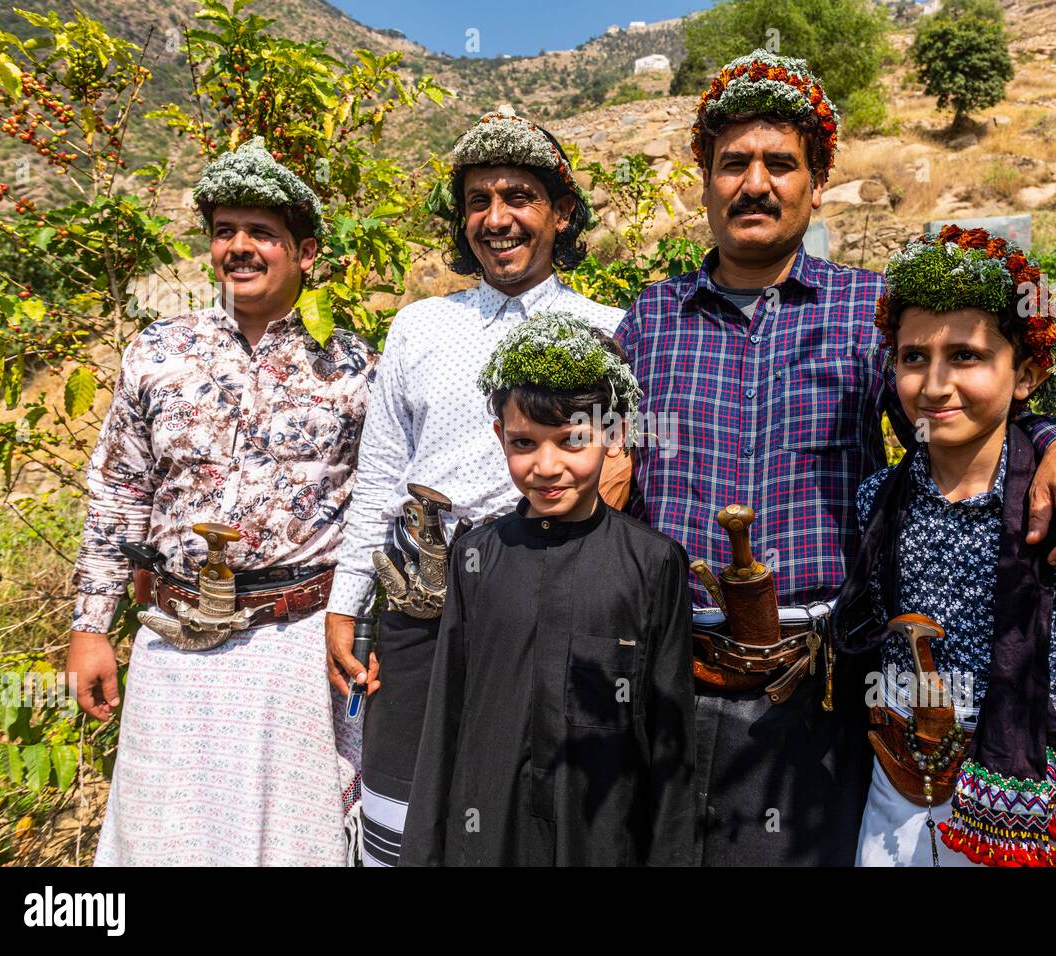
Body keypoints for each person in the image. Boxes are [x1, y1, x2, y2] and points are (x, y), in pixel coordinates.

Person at [615, 50, 1056, 865]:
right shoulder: (649, 318)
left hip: (818, 690)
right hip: (670, 682)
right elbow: (592, 469)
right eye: (733, 164)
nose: (755, 183)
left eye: (780, 164)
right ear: (705, 181)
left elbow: (965, 418)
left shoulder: (871, 313)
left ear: (816, 182)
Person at [840, 226, 1056, 866]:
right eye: (914, 356)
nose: (935, 384)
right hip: (900, 816)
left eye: (968, 356)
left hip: (1045, 817)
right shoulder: (879, 501)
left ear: (1026, 372)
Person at [325, 110, 624, 866]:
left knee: (523, 815)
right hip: (419, 606)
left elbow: (622, 475)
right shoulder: (420, 328)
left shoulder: (609, 329)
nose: (497, 218)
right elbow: (382, 477)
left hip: (545, 606)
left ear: (560, 212)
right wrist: (344, 602)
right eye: (478, 200)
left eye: (519, 196)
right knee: (400, 815)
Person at [66, 137, 374, 865]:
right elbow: (120, 491)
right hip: (175, 641)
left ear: (304, 252)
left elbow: (375, 507)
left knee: (291, 842)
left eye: (261, 233)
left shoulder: (357, 368)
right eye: (224, 231)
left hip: (295, 650)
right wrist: (91, 626)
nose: (239, 247)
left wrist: (364, 626)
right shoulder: (158, 352)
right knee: (164, 836)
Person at [398, 313, 694, 865]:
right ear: (499, 437)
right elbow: (445, 721)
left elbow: (671, 742)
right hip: (488, 830)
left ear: (615, 435)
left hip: (602, 833)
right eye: (524, 443)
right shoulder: (475, 559)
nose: (547, 466)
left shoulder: (653, 564)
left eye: (572, 440)